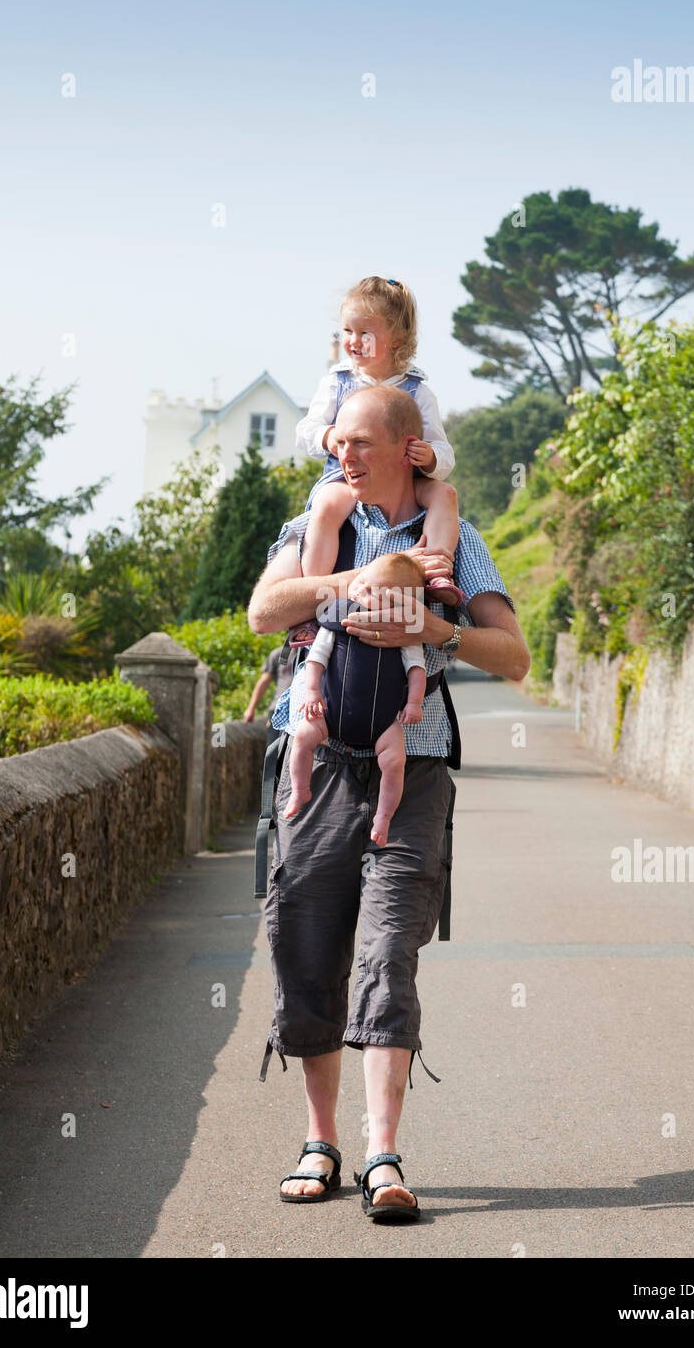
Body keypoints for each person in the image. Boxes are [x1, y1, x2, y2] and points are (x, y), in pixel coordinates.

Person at [247, 384, 530, 1221]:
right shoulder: (313, 528)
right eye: (339, 442)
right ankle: (319, 1139)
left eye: (361, 443)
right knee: (303, 938)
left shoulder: (457, 542)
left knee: (386, 952)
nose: (344, 454)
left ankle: (382, 1154)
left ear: (408, 448)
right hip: (322, 765)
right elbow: (265, 611)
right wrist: (353, 581)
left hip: (417, 765)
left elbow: (512, 657)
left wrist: (434, 628)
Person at [290, 277, 465, 649]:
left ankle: (437, 572)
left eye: (365, 332)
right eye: (347, 331)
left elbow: (444, 453)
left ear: (398, 339)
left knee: (445, 494)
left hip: (402, 480)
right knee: (326, 505)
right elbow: (305, 431)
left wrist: (430, 457)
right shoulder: (337, 382)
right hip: (344, 476)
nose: (352, 341)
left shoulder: (418, 390)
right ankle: (309, 606)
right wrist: (327, 437)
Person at [283, 550, 428, 847]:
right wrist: (312, 691)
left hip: (383, 724)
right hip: (331, 713)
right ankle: (300, 789)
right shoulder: (337, 619)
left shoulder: (403, 633)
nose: (359, 590)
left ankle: (383, 817)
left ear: (399, 604)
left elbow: (416, 671)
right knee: (302, 737)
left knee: (395, 762)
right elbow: (316, 659)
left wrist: (414, 703)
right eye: (361, 582)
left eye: (372, 591)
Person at [243, 645, 297, 745]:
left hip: (300, 708)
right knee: (273, 749)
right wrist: (251, 708)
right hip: (278, 708)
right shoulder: (281, 653)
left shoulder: (312, 651)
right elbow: (264, 681)